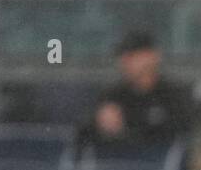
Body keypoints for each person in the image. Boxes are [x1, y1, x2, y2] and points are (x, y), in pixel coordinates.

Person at [77, 31, 191, 159]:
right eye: (123, 56)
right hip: (120, 168)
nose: (125, 61)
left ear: (152, 56)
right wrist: (98, 122)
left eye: (132, 55)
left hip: (160, 169)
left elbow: (175, 133)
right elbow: (83, 131)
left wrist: (127, 130)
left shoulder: (173, 95)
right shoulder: (114, 95)